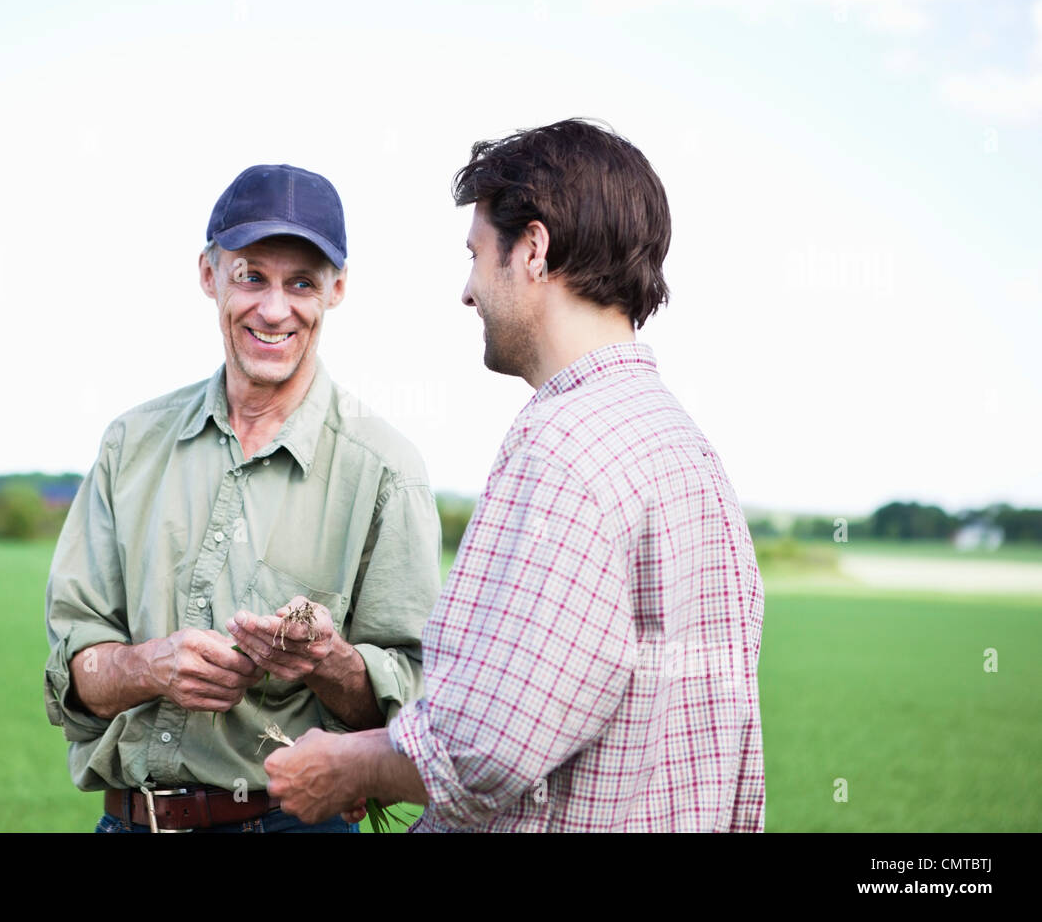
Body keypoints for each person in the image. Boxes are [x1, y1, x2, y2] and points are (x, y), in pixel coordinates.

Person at [263, 119, 767, 832]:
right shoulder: (689, 450)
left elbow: (484, 744)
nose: (467, 291)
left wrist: (347, 764)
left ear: (531, 249)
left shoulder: (560, 444)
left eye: (475, 253)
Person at [43, 163, 441, 833]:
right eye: (252, 275)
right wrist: (148, 666)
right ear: (209, 274)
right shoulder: (129, 445)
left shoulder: (387, 470)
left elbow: (414, 715)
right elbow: (73, 675)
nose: (275, 308)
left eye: (301, 283)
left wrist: (330, 662)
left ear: (336, 289)